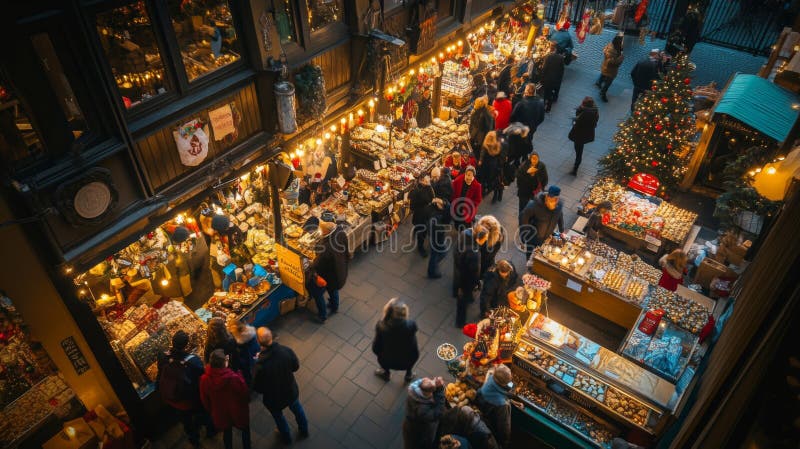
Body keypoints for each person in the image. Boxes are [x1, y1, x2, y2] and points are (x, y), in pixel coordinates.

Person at [157, 330, 214, 447]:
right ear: (186, 345)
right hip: (190, 399)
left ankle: (194, 440)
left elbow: (160, 369)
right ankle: (210, 431)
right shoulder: (193, 360)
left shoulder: (162, 355)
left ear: (172, 342)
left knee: (186, 420)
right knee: (202, 413)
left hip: (172, 397)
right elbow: (202, 375)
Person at [252, 327, 308, 444]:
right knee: (297, 409)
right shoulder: (286, 351)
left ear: (258, 342)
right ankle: (304, 430)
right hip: (290, 391)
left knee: (279, 418)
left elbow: (257, 387)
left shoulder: (260, 366)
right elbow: (295, 367)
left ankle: (287, 438)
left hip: (273, 399)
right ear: (271, 337)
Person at [199, 349, 251, 449]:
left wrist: (212, 410)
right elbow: (244, 394)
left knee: (227, 432)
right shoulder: (234, 378)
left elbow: (204, 399)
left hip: (220, 413)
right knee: (245, 430)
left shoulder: (204, 379)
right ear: (224, 363)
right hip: (237, 411)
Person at [308, 221, 349, 322]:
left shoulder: (326, 248)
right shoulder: (340, 232)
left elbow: (317, 265)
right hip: (339, 270)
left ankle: (322, 315)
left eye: (321, 230)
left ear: (326, 232)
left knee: (318, 294)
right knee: (333, 289)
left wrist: (311, 265)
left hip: (327, 275)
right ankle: (334, 306)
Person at [373, 297, 420, 382]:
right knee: (411, 358)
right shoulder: (411, 324)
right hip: (408, 360)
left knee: (385, 364)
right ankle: (408, 375)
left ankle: (386, 374)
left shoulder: (381, 326)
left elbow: (376, 347)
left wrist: (379, 354)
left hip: (387, 360)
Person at [453, 225, 487, 327]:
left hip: (462, 278)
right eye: (485, 239)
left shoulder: (469, 242)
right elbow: (473, 272)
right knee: (462, 303)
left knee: (463, 299)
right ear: (478, 239)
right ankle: (460, 322)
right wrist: (476, 283)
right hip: (466, 281)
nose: (485, 241)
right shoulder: (474, 253)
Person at [520, 185, 565, 260]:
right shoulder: (534, 205)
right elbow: (523, 220)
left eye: (555, 200)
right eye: (551, 200)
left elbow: (560, 215)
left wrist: (562, 230)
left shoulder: (559, 205)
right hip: (533, 238)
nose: (552, 203)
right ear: (547, 197)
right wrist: (524, 237)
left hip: (547, 237)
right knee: (530, 256)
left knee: (541, 257)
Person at [475, 365, 513, 449]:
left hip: (483, 406)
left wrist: (513, 401)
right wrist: (504, 442)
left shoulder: (491, 377)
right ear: (503, 384)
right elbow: (504, 428)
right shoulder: (501, 405)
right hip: (491, 422)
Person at [403, 376, 446, 449]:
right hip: (420, 432)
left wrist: (432, 385)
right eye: (431, 392)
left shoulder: (413, 390)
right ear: (426, 394)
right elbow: (438, 413)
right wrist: (439, 390)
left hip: (409, 425)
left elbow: (423, 384)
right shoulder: (423, 410)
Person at [568, 97, 599, 175]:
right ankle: (576, 165)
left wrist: (575, 119)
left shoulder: (584, 113)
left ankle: (575, 169)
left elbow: (578, 122)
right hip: (587, 134)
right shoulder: (595, 111)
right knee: (579, 149)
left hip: (579, 134)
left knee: (579, 151)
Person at [410, 175, 437, 257]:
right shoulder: (417, 191)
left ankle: (419, 240)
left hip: (425, 214)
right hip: (421, 215)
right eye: (426, 180)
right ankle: (420, 247)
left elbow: (432, 199)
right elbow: (431, 199)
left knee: (422, 230)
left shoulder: (427, 188)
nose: (428, 181)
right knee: (422, 232)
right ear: (421, 180)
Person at [228, 320, 259, 387]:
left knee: (248, 373)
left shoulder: (241, 343)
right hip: (254, 357)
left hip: (247, 362)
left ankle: (250, 384)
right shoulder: (251, 332)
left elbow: (245, 359)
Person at [477, 132, 505, 204]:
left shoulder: (498, 144)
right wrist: (480, 160)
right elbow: (482, 152)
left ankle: (496, 194)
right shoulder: (486, 144)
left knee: (495, 182)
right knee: (486, 180)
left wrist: (500, 164)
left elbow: (501, 156)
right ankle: (485, 191)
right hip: (486, 166)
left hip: (494, 167)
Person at [596, 33, 624, 102]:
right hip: (611, 70)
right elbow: (612, 62)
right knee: (608, 82)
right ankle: (602, 93)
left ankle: (599, 83)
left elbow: (605, 51)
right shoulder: (614, 51)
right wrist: (621, 58)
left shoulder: (610, 45)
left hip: (605, 66)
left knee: (603, 75)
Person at [540, 42, 566, 112]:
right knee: (551, 93)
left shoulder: (549, 56)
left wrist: (542, 78)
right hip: (555, 80)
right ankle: (548, 108)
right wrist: (559, 80)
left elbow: (544, 68)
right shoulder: (561, 58)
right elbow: (561, 71)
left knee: (545, 93)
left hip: (547, 78)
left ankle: (543, 106)